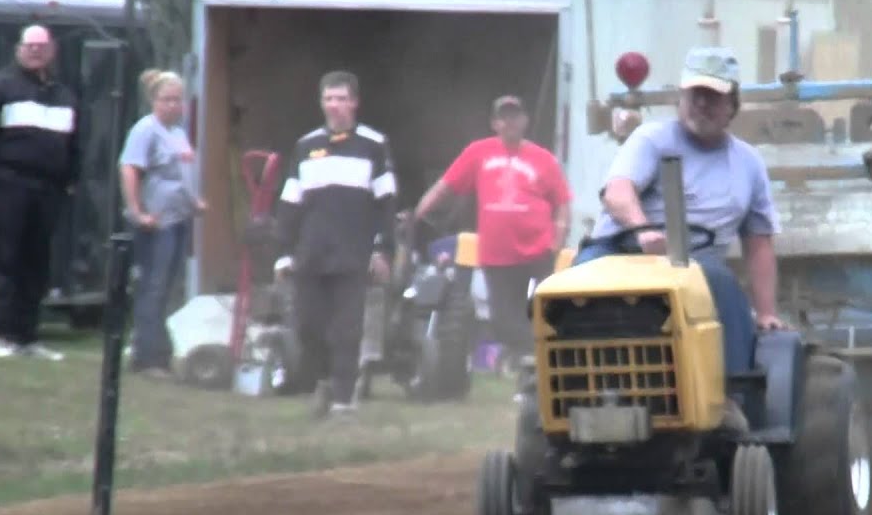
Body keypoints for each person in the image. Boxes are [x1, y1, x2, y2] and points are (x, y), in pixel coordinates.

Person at [574, 46, 787, 434]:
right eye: (695, 94)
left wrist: (767, 311)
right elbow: (618, 191)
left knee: (720, 283)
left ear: (732, 104)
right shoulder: (651, 139)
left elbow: (758, 242)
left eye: (713, 96)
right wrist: (642, 229)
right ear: (680, 98)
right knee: (574, 284)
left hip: (696, 260)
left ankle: (730, 400)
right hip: (621, 247)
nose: (702, 104)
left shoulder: (748, 163)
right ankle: (570, 393)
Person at [412, 94, 572, 368]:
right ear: (494, 123)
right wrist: (418, 214)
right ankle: (538, 357)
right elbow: (445, 187)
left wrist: (558, 237)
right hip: (497, 254)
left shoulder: (542, 158)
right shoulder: (478, 152)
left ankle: (542, 362)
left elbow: (563, 202)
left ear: (525, 121)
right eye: (503, 117)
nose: (509, 122)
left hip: (538, 249)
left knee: (548, 311)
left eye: (515, 116)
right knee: (501, 321)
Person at [273, 70, 397, 416]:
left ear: (354, 102)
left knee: (347, 329)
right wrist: (283, 254)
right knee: (309, 325)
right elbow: (289, 205)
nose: (335, 105)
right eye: (329, 98)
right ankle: (324, 380)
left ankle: (343, 397)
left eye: (342, 98)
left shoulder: (373, 145)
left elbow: (386, 203)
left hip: (352, 254)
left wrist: (382, 250)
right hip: (311, 253)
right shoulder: (306, 146)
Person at [0, 24, 81, 360]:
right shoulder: (0, 86)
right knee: (6, 256)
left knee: (37, 260)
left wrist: (70, 180)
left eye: (42, 45)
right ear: (19, 49)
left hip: (48, 188)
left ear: (52, 50)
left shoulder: (65, 95)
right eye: (29, 45)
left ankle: (26, 334)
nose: (35, 51)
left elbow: (75, 143)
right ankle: (0, 332)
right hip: (7, 183)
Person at [119, 68, 206, 377]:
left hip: (179, 219)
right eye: (166, 100)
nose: (173, 105)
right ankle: (147, 358)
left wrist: (194, 202)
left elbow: (180, 176)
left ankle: (158, 352)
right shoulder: (146, 130)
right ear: (153, 101)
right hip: (156, 224)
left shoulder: (178, 132)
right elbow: (129, 169)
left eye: (177, 100)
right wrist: (137, 211)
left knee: (167, 289)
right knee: (152, 288)